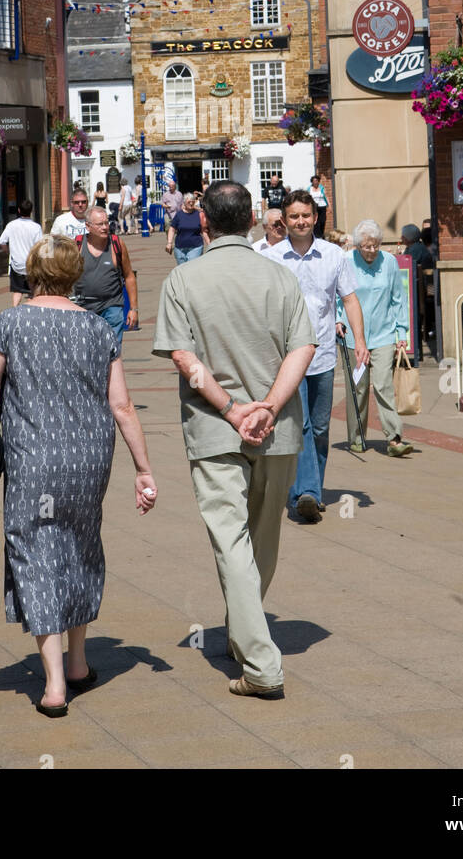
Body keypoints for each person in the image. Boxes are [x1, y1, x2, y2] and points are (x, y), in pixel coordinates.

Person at [0, 236, 156, 717]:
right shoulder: (98, 328)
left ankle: (54, 685)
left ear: (32, 272)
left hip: (34, 460)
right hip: (90, 461)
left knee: (35, 553)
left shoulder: (11, 321)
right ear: (75, 275)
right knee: (80, 545)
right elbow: (122, 405)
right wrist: (143, 469)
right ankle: (77, 663)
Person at [153, 181, 316, 698]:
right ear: (252, 220)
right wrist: (267, 405)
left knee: (231, 542)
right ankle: (244, 633)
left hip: (214, 430)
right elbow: (303, 349)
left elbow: (184, 358)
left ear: (205, 223)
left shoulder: (183, 280)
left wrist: (231, 409)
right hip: (278, 429)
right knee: (262, 541)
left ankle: (262, 663)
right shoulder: (281, 278)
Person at [266, 189, 368, 523]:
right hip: (288, 357)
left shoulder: (333, 255)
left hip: (323, 354)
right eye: (293, 216)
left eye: (305, 216)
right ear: (284, 219)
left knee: (321, 428)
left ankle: (312, 492)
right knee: (302, 425)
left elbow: (350, 300)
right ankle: (305, 493)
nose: (300, 222)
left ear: (315, 218)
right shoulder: (272, 257)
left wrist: (360, 341)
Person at [346, 220, 413, 457]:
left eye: (375, 246)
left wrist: (402, 332)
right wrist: (337, 321)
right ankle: (356, 436)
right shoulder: (346, 262)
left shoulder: (390, 262)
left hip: (384, 334)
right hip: (354, 336)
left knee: (384, 385)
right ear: (357, 246)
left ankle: (394, 438)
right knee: (359, 388)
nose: (372, 251)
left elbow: (399, 298)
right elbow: (336, 297)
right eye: (366, 247)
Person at [74, 207, 138, 354]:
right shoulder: (76, 245)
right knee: (87, 352)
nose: (104, 227)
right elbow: (65, 276)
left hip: (112, 306)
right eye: (100, 224)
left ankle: (112, 376)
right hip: (83, 307)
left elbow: (129, 276)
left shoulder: (117, 244)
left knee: (111, 352)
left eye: (106, 223)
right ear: (88, 226)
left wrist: (133, 309)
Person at [0, 200, 44, 306]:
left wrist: (8, 252)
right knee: (32, 291)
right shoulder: (36, 227)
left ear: (19, 210)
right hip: (31, 264)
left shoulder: (12, 225)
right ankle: (31, 309)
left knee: (17, 291)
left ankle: (15, 310)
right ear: (31, 211)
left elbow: (1, 241)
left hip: (16, 264)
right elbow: (40, 246)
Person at [165, 193, 206, 264]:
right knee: (182, 270)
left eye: (192, 202)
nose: (191, 203)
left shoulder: (199, 214)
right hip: (180, 248)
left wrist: (210, 244)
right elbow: (172, 229)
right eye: (189, 202)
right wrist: (169, 243)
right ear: (184, 202)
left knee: (191, 268)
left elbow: (204, 231)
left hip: (196, 247)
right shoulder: (179, 215)